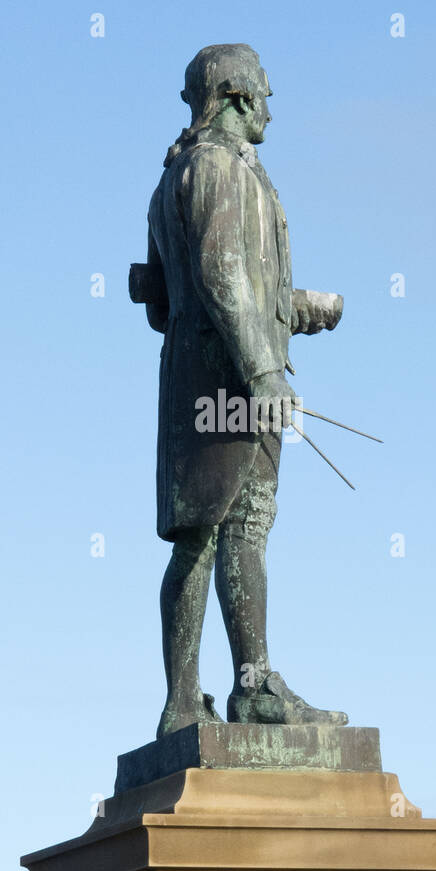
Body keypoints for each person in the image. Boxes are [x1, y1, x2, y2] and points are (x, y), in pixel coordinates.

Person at [141, 44, 347, 737]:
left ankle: (187, 701)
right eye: (264, 88)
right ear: (235, 92)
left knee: (204, 537)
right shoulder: (219, 170)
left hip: (199, 375)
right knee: (239, 528)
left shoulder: (175, 174)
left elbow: (167, 303)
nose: (270, 102)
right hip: (232, 385)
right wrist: (262, 371)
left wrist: (298, 309)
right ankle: (250, 687)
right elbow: (223, 275)